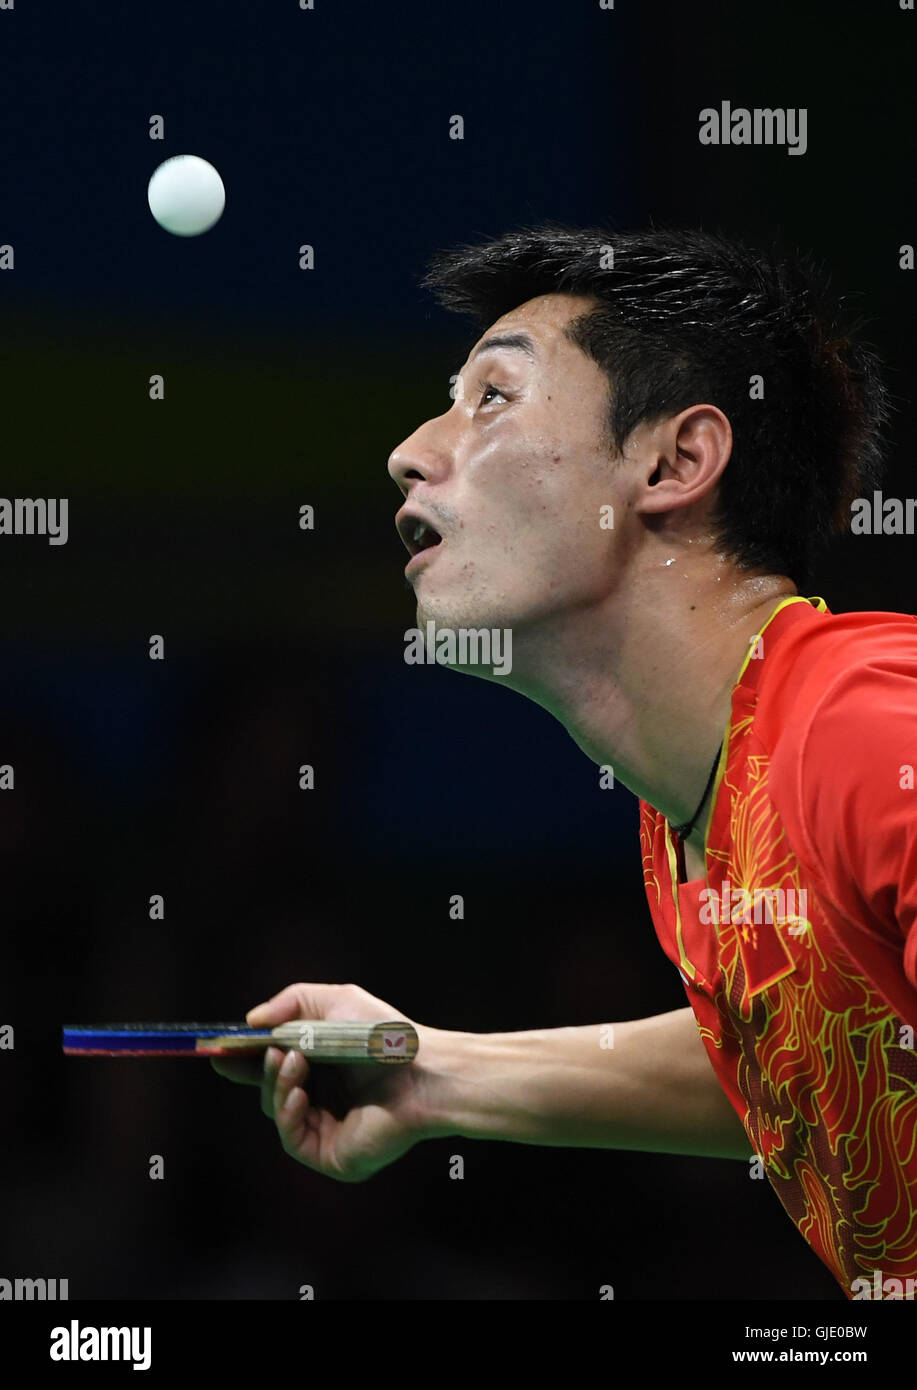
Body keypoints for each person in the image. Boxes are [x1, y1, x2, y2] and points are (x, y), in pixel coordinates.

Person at [214, 225, 917, 1300]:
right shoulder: (695, 808)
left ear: (673, 461)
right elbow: (810, 1058)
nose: (411, 448)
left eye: (491, 397)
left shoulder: (865, 731)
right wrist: (431, 1071)